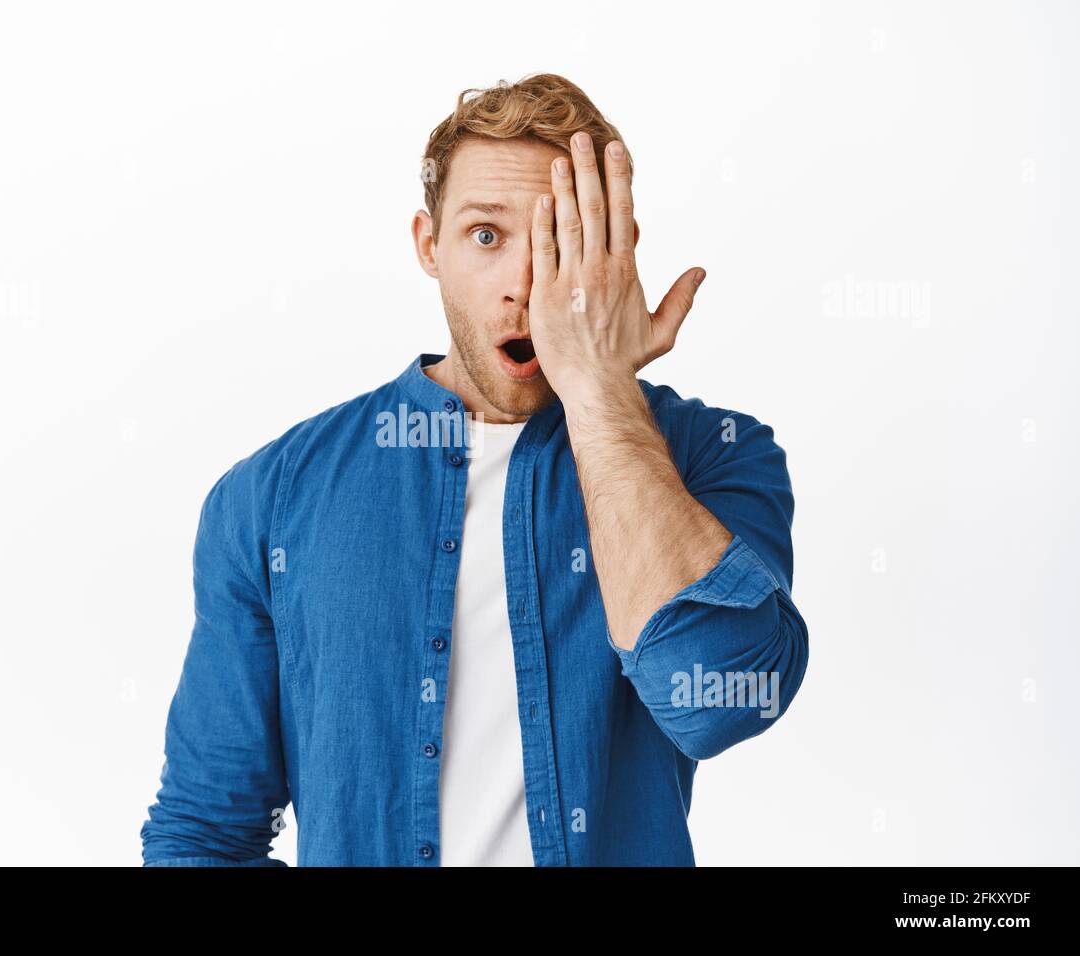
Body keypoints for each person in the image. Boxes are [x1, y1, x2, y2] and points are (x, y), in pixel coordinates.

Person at [140, 73, 809, 866]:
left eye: (560, 240)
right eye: (487, 236)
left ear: (613, 253)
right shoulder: (271, 499)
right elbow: (203, 836)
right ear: (429, 246)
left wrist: (598, 389)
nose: (526, 285)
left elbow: (719, 700)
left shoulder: (712, 454)